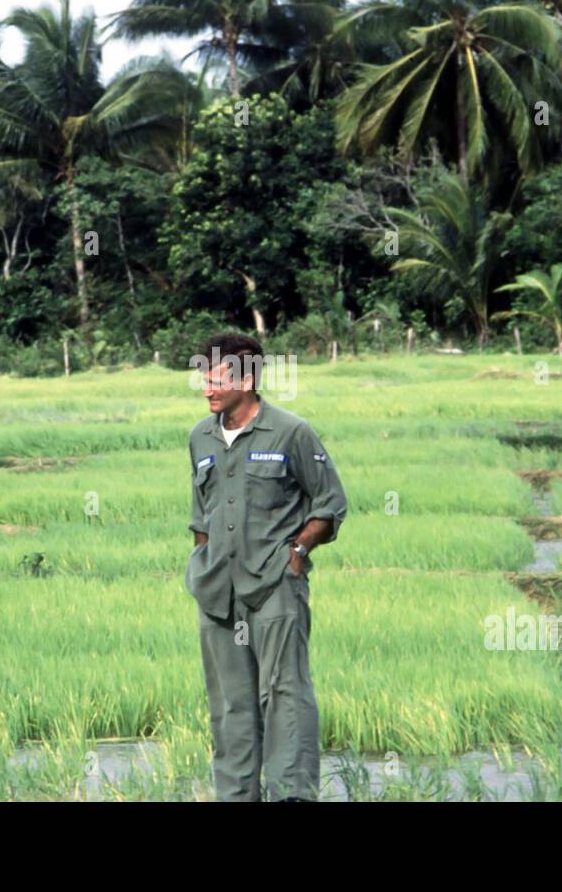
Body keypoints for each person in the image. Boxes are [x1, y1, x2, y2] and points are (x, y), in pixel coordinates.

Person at [185, 332, 348, 801]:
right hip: (218, 594)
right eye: (204, 378)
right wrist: (202, 564)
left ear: (248, 379)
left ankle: (290, 795)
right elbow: (201, 515)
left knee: (284, 695)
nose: (207, 388)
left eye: (216, 379)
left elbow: (329, 504)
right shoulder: (200, 437)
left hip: (275, 589)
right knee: (230, 706)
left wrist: (296, 555)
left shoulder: (291, 431)